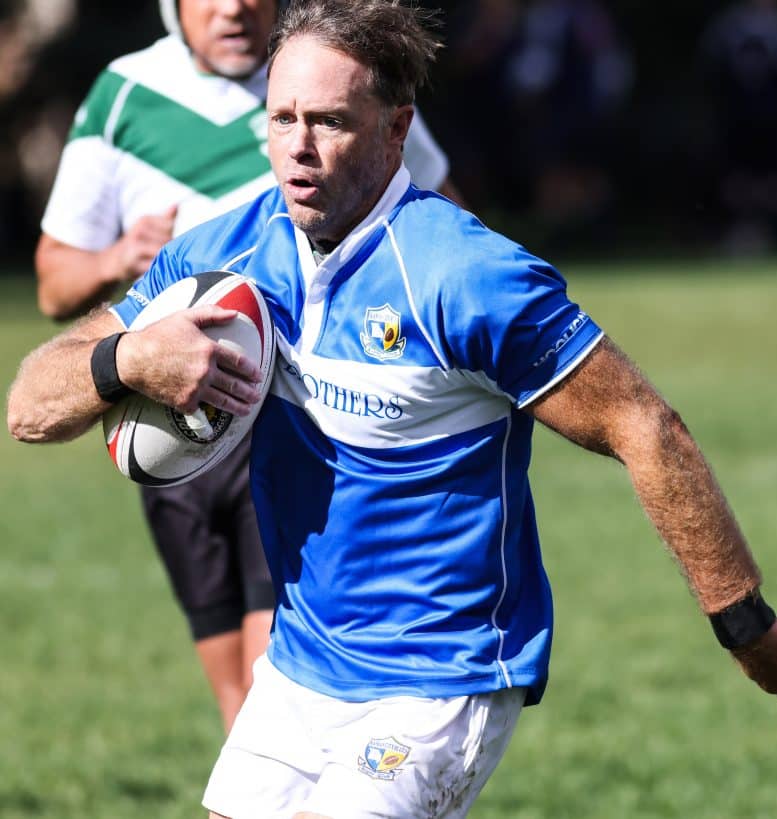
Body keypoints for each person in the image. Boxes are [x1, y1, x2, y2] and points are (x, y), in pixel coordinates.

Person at [8, 1, 777, 815]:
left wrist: (744, 625)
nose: (298, 149)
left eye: (330, 122)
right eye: (280, 119)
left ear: (396, 130)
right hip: (302, 667)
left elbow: (646, 425)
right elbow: (29, 405)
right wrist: (129, 357)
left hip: (440, 676)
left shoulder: (467, 276)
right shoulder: (226, 255)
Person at [32, 0, 461, 733]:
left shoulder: (332, 81)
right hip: (171, 428)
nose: (234, 7)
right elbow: (53, 282)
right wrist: (119, 260)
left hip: (295, 419)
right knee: (240, 709)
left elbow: (442, 217)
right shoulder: (125, 95)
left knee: (278, 692)